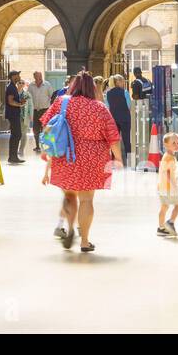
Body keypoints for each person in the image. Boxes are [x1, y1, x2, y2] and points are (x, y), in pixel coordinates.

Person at [38, 72, 123, 251]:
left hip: (65, 155)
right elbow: (113, 137)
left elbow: (46, 124)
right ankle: (84, 241)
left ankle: (69, 229)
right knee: (86, 200)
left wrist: (48, 151)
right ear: (92, 88)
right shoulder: (99, 108)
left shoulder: (62, 102)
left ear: (73, 86)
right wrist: (119, 159)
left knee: (69, 195)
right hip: (92, 159)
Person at [157, 132, 178, 238]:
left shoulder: (169, 156)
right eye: (174, 143)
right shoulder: (169, 157)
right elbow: (167, 174)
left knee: (164, 207)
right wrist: (174, 186)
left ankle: (161, 228)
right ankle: (170, 222)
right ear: (166, 145)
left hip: (163, 187)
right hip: (168, 188)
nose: (177, 145)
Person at [105, 73, 134, 163]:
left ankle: (114, 158)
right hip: (125, 118)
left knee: (114, 140)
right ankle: (129, 159)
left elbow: (107, 106)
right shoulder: (124, 92)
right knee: (126, 139)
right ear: (118, 82)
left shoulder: (108, 93)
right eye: (122, 81)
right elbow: (129, 105)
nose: (123, 83)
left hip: (113, 119)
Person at [3, 70, 26, 164]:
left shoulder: (13, 87)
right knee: (16, 135)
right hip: (13, 114)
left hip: (14, 113)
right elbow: (10, 101)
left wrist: (20, 101)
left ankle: (13, 156)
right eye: (17, 75)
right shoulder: (11, 87)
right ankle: (12, 157)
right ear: (13, 76)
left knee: (16, 135)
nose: (19, 77)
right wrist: (19, 104)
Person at [26, 71, 52, 154]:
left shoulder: (47, 85)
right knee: (35, 129)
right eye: (37, 76)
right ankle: (37, 146)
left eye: (40, 76)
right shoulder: (31, 86)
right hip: (35, 111)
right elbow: (28, 97)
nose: (39, 78)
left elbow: (52, 96)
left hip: (45, 110)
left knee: (45, 129)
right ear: (34, 77)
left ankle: (46, 146)